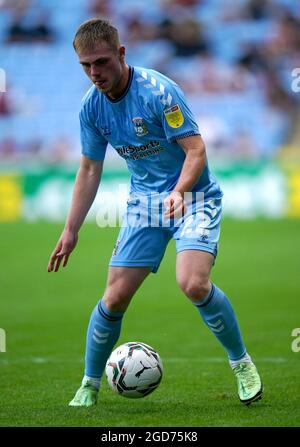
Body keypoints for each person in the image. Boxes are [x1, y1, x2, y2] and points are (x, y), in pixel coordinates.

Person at [47, 18, 263, 407]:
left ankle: (242, 363)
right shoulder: (91, 108)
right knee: (113, 299)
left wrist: (179, 191)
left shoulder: (160, 92)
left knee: (193, 284)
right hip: (145, 204)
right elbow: (90, 168)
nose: (94, 73)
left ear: (121, 54)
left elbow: (196, 150)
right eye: (86, 66)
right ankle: (89, 385)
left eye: (101, 62)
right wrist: (71, 229)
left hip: (194, 196)